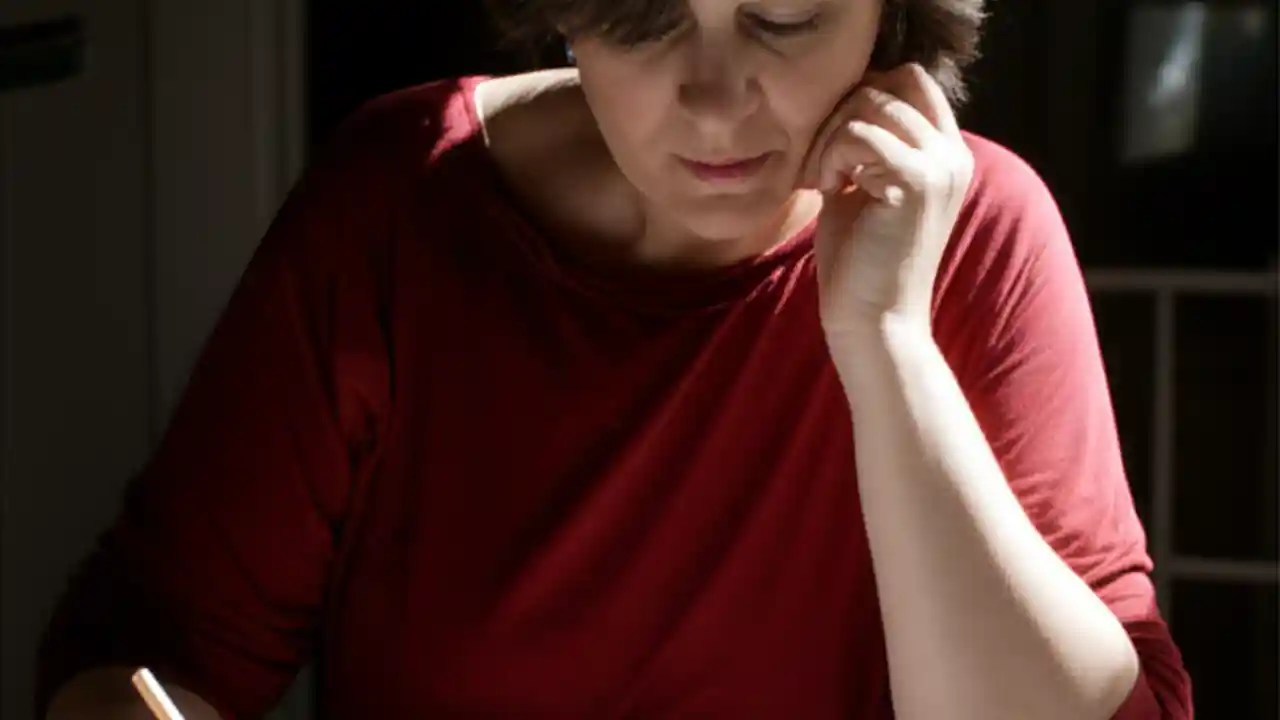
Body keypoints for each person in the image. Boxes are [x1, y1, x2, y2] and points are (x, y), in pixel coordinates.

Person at [38, 0, 1194, 718]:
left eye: (784, 19)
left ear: (890, 18)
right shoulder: (397, 204)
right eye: (643, 18)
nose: (712, 99)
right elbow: (146, 649)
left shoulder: (977, 233)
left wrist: (884, 343)